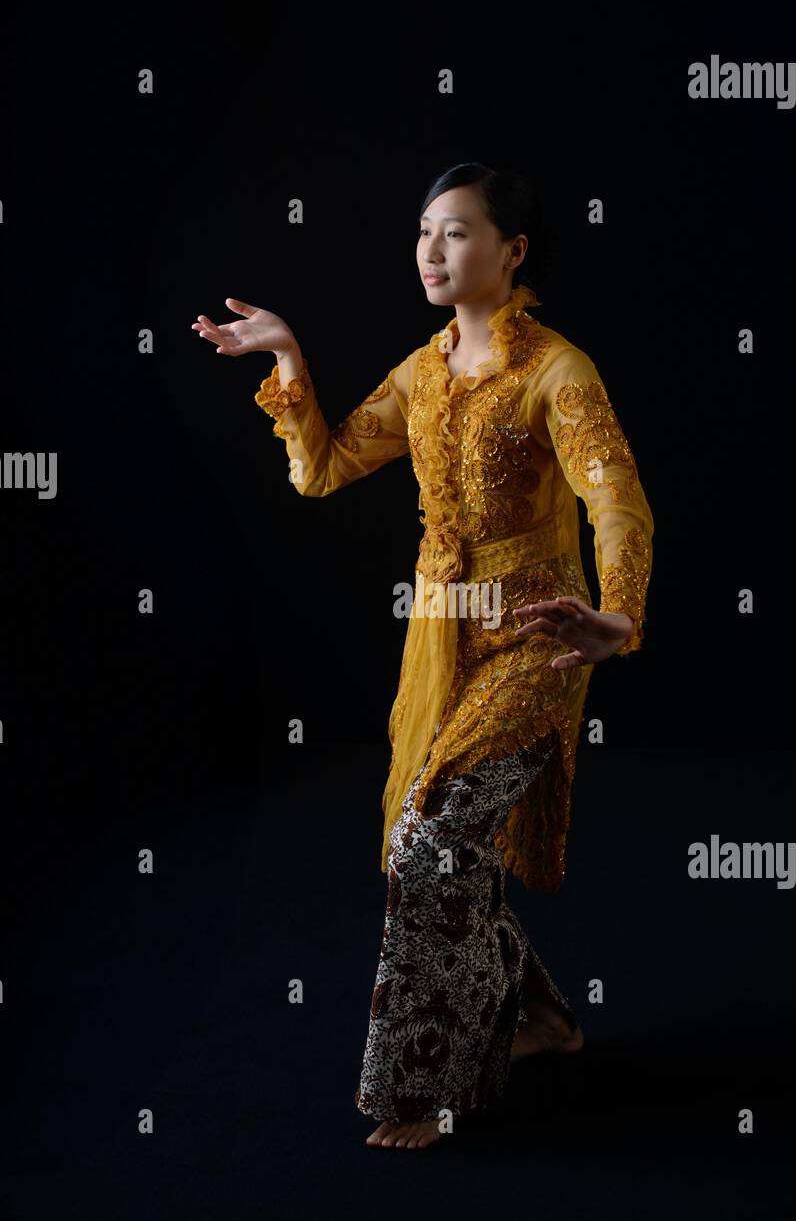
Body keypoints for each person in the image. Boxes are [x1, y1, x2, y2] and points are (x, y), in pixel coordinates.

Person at [191, 162, 655, 1151]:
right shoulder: (423, 371)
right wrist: (288, 358)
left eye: (455, 232)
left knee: (428, 837)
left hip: (539, 638)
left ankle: (425, 1085)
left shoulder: (556, 374)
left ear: (512, 250)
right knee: (437, 840)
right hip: (444, 641)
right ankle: (544, 1019)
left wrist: (617, 615)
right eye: (422, 232)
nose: (431, 250)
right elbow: (322, 468)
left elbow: (615, 498)